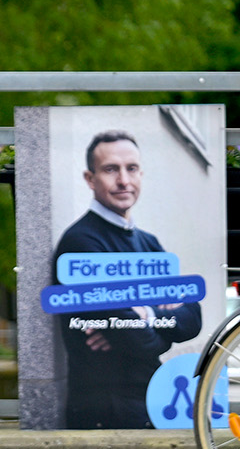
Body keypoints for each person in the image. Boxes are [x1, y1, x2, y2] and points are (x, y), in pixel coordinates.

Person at [53, 131, 204, 429]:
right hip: (106, 411)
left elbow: (193, 318)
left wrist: (143, 314)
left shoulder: (148, 243)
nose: (124, 180)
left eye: (131, 168)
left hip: (148, 401)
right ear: (89, 178)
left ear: (141, 174)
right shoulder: (82, 243)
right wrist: (160, 321)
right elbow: (140, 341)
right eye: (111, 169)